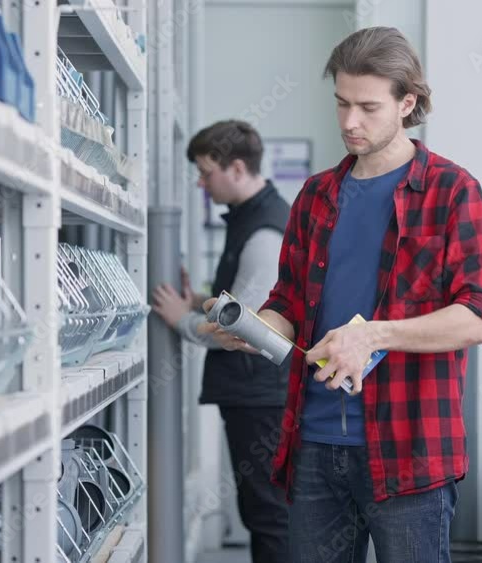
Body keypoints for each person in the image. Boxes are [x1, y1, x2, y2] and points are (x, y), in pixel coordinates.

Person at [200, 27, 482, 563]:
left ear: (407, 102)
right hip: (315, 448)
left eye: (368, 107)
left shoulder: (452, 191)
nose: (349, 122)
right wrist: (253, 329)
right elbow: (289, 305)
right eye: (341, 103)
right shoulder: (316, 196)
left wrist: (375, 334)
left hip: (409, 453)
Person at [151, 120, 291, 563]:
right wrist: (195, 300)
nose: (200, 181)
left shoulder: (265, 232)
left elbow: (244, 327)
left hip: (261, 396)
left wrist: (181, 321)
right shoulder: (251, 217)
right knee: (263, 510)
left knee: (269, 514)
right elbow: (242, 299)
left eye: (206, 171)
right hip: (254, 395)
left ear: (235, 169)